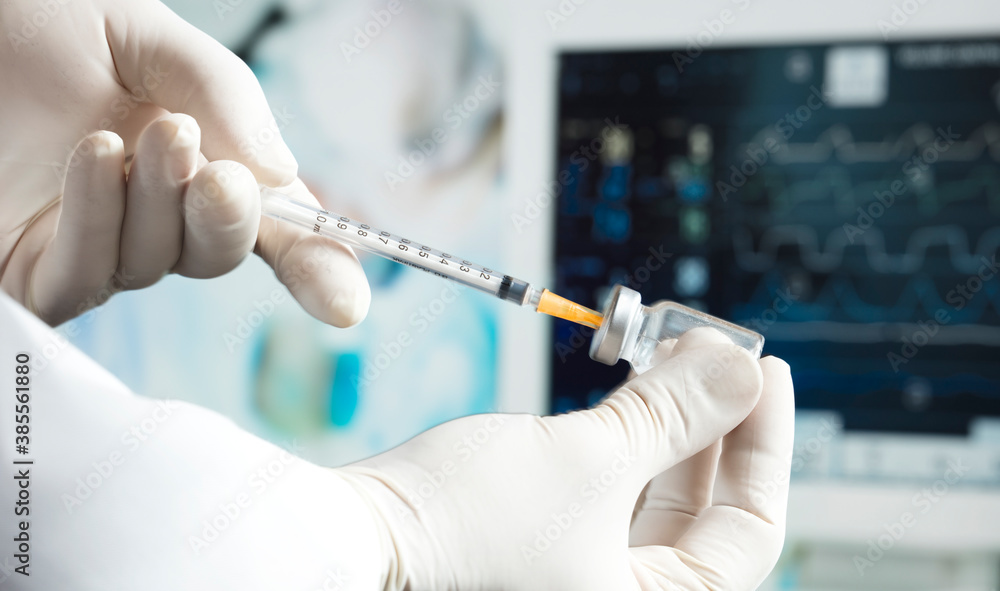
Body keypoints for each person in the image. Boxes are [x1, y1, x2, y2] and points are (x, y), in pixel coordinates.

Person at [0, 1, 795, 589]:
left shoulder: (459, 354)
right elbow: (53, 523)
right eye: (314, 123)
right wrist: (395, 541)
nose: (352, 186)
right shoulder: (134, 337)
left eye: (422, 141)